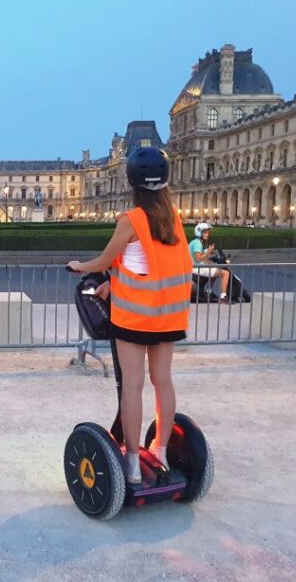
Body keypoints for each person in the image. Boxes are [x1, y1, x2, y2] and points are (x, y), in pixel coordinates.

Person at [68, 147, 192, 485]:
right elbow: (154, 264)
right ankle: (161, 451)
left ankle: (134, 462)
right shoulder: (173, 218)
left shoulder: (131, 220)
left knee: (133, 386)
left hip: (135, 319)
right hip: (169, 317)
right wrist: (113, 282)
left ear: (132, 183)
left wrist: (79, 266)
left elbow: (102, 261)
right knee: (163, 382)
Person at [189, 222, 231, 303]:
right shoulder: (197, 243)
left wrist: (209, 261)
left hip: (195, 267)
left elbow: (200, 258)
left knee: (215, 269)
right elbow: (197, 258)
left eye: (208, 232)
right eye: (205, 232)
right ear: (199, 232)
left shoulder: (196, 242)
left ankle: (208, 292)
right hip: (195, 268)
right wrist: (208, 251)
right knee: (225, 273)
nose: (207, 234)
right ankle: (223, 297)